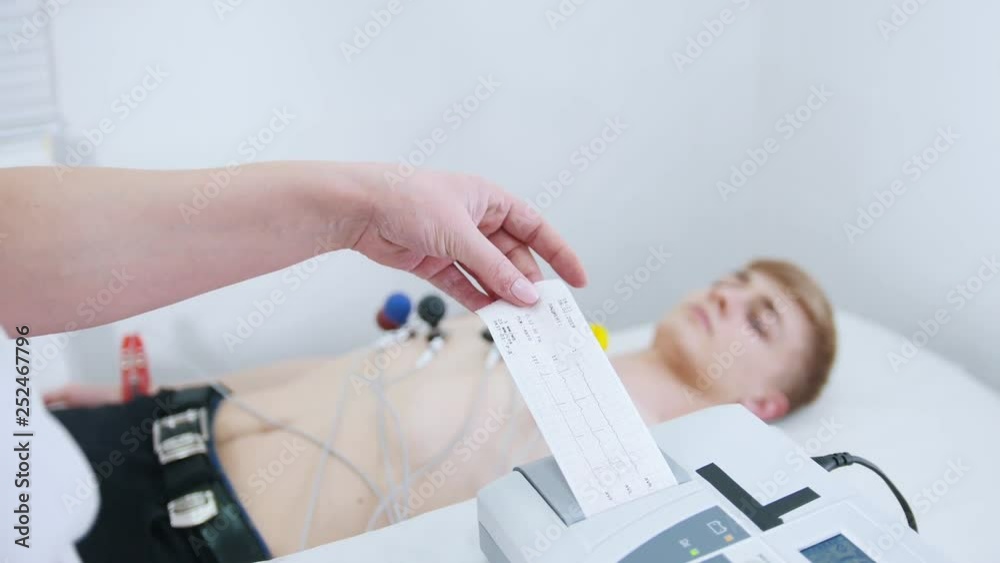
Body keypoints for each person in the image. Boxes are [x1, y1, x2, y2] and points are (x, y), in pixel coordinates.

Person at [43, 257, 836, 559]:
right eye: (731, 281)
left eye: (758, 317)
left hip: (181, 545)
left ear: (765, 403)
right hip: (152, 431)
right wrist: (150, 398)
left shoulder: (637, 479)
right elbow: (348, 371)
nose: (727, 297)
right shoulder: (534, 324)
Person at [0, 162, 587, 563]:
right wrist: (368, 207)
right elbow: (343, 378)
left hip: (191, 537)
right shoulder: (487, 328)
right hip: (151, 437)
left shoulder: (654, 447)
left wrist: (366, 208)